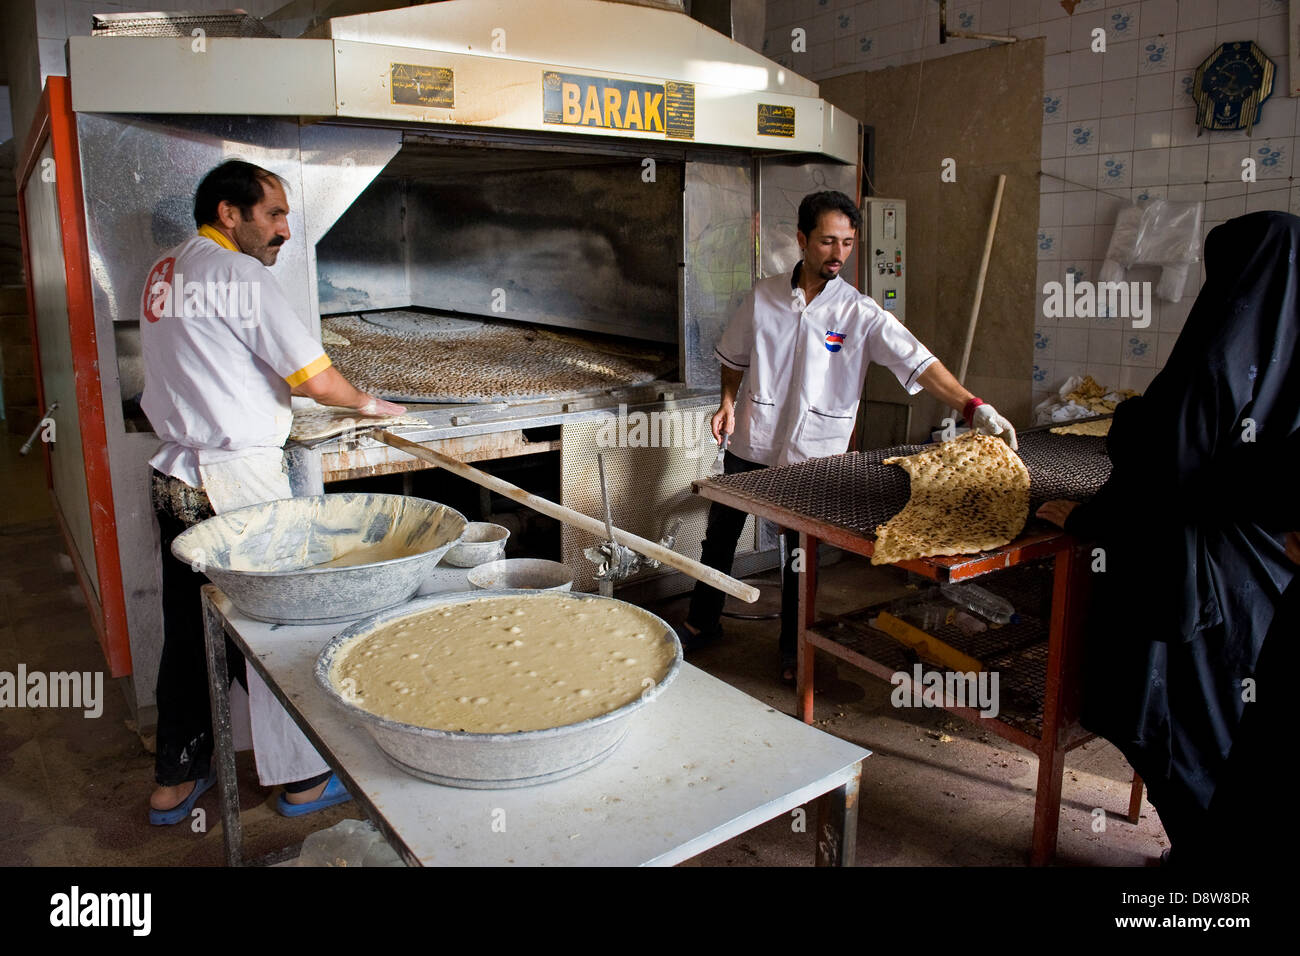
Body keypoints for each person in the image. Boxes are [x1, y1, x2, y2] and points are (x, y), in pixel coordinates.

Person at [142, 160, 407, 824]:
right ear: (229, 213)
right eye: (274, 214)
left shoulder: (165, 271)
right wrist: (370, 404)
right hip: (235, 485)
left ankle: (175, 781)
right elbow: (314, 378)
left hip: (177, 479)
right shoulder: (235, 273)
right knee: (277, 632)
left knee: (189, 630)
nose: (284, 230)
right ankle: (304, 780)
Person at [1036, 211, 1299, 864]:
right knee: (1228, 737)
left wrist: (1084, 518)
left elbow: (1163, 478)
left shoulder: (1213, 361)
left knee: (1171, 729)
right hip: (1262, 587)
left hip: (1192, 588)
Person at [681, 190, 1018, 682]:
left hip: (813, 451)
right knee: (721, 536)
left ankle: (794, 652)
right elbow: (734, 359)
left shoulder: (859, 312)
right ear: (802, 240)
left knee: (799, 555)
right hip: (753, 436)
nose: (838, 254)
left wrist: (972, 405)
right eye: (826, 242)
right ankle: (701, 623)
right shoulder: (763, 296)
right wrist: (727, 403)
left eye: (847, 243)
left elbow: (917, 361)